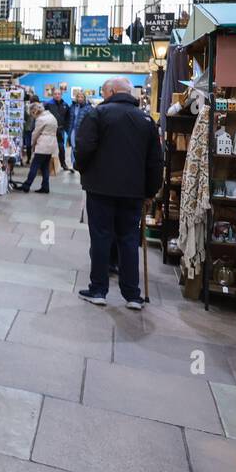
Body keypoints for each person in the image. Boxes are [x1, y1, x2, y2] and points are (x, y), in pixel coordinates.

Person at [73, 77, 163, 310]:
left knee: (101, 237)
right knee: (129, 239)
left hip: (100, 188)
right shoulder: (145, 120)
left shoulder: (98, 114)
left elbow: (83, 147)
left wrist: (83, 170)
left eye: (104, 92)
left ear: (111, 92)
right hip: (133, 191)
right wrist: (151, 191)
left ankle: (98, 289)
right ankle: (132, 295)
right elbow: (155, 161)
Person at [17, 99, 57, 193]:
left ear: (34, 111)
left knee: (34, 165)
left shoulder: (41, 119)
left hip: (43, 144)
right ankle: (45, 186)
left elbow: (35, 133)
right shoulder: (51, 116)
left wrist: (32, 144)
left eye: (32, 113)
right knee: (45, 166)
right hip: (51, 144)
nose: (32, 115)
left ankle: (27, 185)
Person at [45, 87, 72, 172]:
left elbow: (68, 118)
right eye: (55, 94)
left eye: (59, 94)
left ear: (61, 95)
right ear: (52, 95)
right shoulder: (48, 104)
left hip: (60, 130)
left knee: (61, 148)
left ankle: (63, 164)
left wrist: (67, 129)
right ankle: (46, 165)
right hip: (50, 130)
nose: (57, 95)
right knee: (48, 147)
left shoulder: (65, 105)